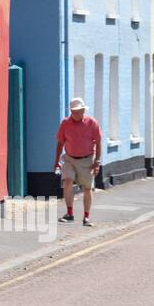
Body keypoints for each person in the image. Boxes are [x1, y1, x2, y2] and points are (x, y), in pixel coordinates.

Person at [55, 97, 102, 226]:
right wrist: (56, 160)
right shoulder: (65, 123)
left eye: (79, 111)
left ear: (83, 110)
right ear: (70, 111)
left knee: (87, 188)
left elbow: (98, 142)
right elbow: (60, 142)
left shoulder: (92, 123)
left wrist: (97, 162)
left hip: (86, 159)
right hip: (69, 158)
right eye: (74, 111)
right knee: (68, 182)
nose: (76, 114)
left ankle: (86, 217)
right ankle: (69, 213)